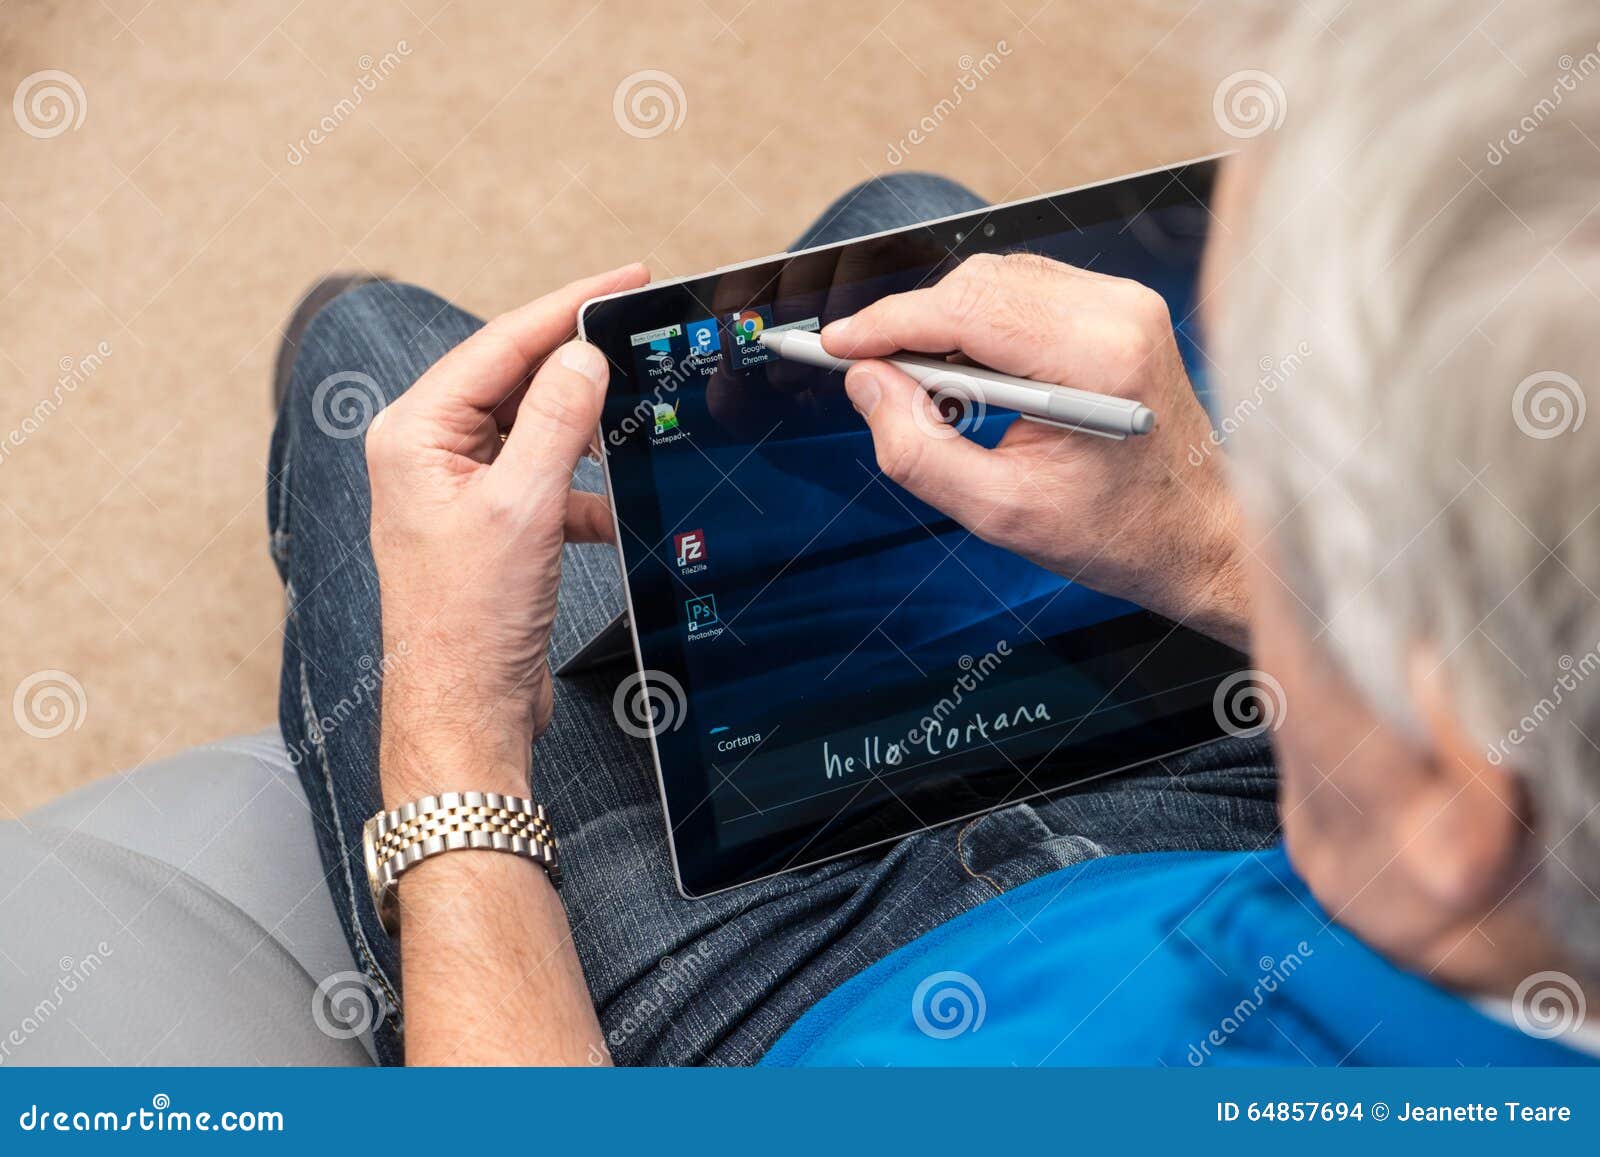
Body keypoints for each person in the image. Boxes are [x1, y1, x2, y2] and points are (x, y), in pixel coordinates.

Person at [2, 0, 1596, 1066]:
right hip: (1233, 823)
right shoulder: (1487, 858)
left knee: (374, 349)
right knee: (900, 222)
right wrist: (1215, 536)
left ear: (1462, 790)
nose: (1210, 440)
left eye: (1280, 463)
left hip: (774, 1008)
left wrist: (450, 727)